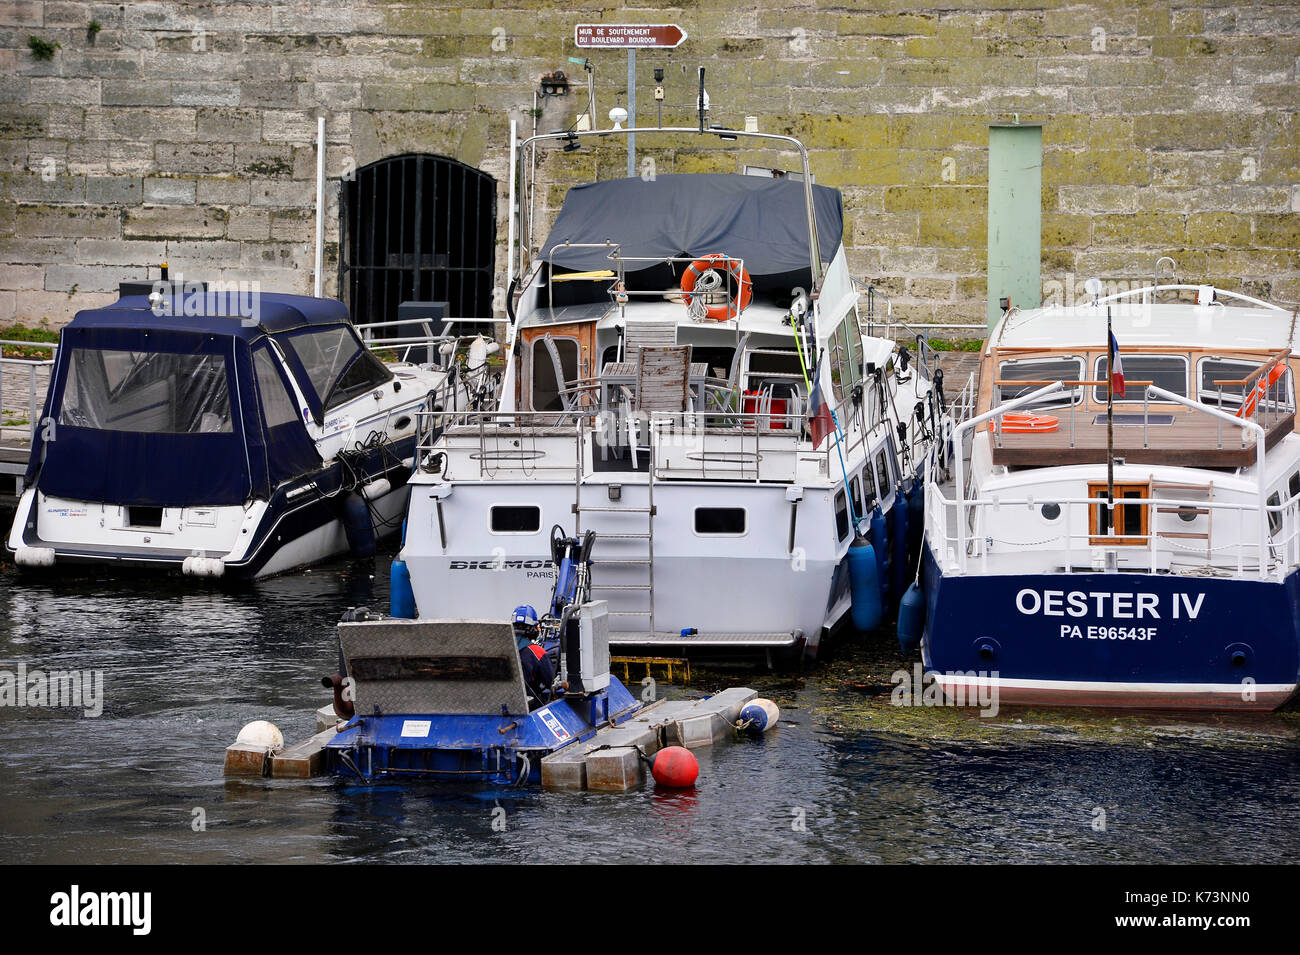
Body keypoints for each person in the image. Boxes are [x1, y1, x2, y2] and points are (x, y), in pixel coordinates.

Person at [511, 605, 554, 708]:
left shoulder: (500, 647)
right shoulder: (537, 652)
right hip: (529, 704)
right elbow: (550, 681)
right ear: (532, 629)